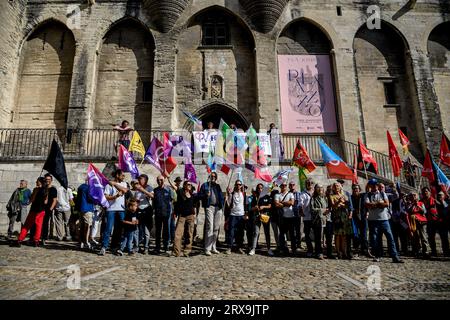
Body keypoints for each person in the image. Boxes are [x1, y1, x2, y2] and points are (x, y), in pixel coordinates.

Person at [365, 179, 403, 263]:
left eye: (376, 185)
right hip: (373, 220)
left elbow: (386, 204)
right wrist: (379, 204)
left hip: (384, 219)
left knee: (390, 237)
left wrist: (375, 204)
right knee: (375, 239)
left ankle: (394, 256)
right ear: (370, 186)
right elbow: (367, 205)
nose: (375, 186)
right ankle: (377, 255)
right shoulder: (368, 195)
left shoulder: (383, 193)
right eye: (373, 185)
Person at [98, 169, 128, 256]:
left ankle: (115, 247)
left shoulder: (124, 184)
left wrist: (114, 184)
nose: (124, 177)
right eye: (122, 175)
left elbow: (125, 190)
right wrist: (115, 196)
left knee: (119, 229)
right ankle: (104, 247)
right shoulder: (108, 185)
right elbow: (106, 197)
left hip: (121, 209)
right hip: (111, 209)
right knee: (108, 228)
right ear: (117, 175)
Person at [14, 177, 48, 247]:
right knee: (39, 226)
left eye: (37, 181)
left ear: (40, 182)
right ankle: (36, 241)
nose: (36, 182)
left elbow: (32, 199)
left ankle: (20, 240)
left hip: (34, 210)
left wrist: (30, 200)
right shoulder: (46, 190)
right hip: (41, 210)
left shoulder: (36, 189)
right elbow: (45, 201)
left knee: (26, 226)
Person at [199, 172, 224, 256]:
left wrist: (223, 202)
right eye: (212, 176)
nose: (213, 177)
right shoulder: (205, 185)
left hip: (218, 208)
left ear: (216, 178)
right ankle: (207, 248)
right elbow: (199, 195)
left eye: (214, 176)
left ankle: (214, 246)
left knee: (216, 228)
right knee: (210, 226)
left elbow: (221, 196)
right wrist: (206, 195)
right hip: (209, 207)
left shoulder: (218, 186)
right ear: (209, 177)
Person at [172, 181, 197, 257]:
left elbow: (194, 206)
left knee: (189, 234)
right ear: (185, 185)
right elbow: (174, 187)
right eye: (188, 184)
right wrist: (169, 178)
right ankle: (176, 252)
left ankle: (187, 251)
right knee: (178, 234)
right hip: (182, 216)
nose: (189, 186)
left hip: (190, 216)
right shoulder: (180, 192)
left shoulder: (192, 195)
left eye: (190, 185)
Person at [421, 187, 447, 256]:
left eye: (426, 191)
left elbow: (443, 209)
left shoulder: (434, 201)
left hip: (438, 221)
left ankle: (446, 251)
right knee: (431, 238)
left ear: (429, 192)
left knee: (443, 237)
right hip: (428, 222)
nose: (425, 193)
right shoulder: (421, 201)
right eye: (423, 191)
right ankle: (434, 251)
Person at [329, 182, 353, 259]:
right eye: (335, 186)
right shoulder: (332, 195)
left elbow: (347, 205)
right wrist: (339, 202)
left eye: (338, 186)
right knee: (337, 235)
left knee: (344, 235)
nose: (337, 187)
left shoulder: (344, 195)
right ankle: (338, 252)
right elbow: (333, 206)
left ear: (340, 187)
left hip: (344, 216)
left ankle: (344, 252)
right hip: (337, 216)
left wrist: (342, 203)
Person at [248, 184, 273, 256]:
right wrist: (255, 208)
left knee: (267, 233)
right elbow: (251, 208)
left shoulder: (267, 196)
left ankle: (269, 249)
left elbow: (269, 206)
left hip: (265, 215)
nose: (260, 189)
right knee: (256, 232)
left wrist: (263, 206)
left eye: (261, 188)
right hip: (257, 216)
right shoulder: (255, 197)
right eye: (258, 188)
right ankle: (253, 249)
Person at [133, 174, 154, 254]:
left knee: (146, 230)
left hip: (146, 210)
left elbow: (152, 196)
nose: (139, 180)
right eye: (138, 179)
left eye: (140, 179)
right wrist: (136, 201)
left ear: (145, 180)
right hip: (138, 210)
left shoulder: (149, 187)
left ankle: (146, 247)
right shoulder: (137, 189)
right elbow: (135, 199)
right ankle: (137, 246)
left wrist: (142, 190)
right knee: (137, 230)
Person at [152, 175, 173, 254]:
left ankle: (166, 246)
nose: (159, 181)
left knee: (166, 231)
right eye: (158, 180)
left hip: (167, 213)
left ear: (164, 180)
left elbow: (172, 200)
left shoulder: (168, 189)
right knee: (158, 231)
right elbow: (154, 202)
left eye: (161, 180)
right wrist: (154, 210)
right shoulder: (155, 190)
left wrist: (171, 212)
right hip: (158, 213)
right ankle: (157, 247)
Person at [225, 180, 246, 254]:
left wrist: (246, 214)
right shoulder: (232, 194)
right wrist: (228, 194)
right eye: (237, 184)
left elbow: (245, 204)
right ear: (235, 185)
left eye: (239, 184)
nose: (238, 186)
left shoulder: (243, 194)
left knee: (240, 232)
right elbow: (228, 205)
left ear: (241, 186)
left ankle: (239, 247)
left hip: (241, 215)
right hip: (233, 215)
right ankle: (229, 247)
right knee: (231, 232)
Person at [275, 182, 296, 256]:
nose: (284, 186)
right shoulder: (277, 195)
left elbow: (292, 203)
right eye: (282, 185)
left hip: (290, 217)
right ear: (280, 186)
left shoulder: (290, 194)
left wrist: (282, 202)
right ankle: (283, 249)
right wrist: (287, 203)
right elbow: (277, 204)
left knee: (292, 234)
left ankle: (293, 250)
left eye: (285, 185)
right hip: (282, 217)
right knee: (282, 234)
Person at [405, 192, 429, 258]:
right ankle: (418, 250)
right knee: (416, 237)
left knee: (423, 237)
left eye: (414, 195)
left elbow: (424, 211)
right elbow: (408, 211)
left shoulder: (421, 203)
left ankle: (426, 251)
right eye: (412, 196)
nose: (413, 197)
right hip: (414, 222)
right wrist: (413, 205)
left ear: (417, 196)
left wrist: (418, 205)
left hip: (422, 222)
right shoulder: (409, 204)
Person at [310, 184, 328, 259]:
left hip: (324, 220)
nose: (320, 189)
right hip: (316, 220)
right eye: (318, 188)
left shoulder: (324, 198)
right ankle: (318, 252)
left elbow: (327, 208)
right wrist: (322, 210)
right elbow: (312, 209)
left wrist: (326, 211)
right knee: (318, 237)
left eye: (321, 188)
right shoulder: (313, 198)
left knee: (323, 238)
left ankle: (322, 251)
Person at [76, 180, 95, 249]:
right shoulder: (89, 188)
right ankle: (86, 242)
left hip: (81, 208)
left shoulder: (81, 187)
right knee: (87, 226)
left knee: (82, 226)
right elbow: (91, 198)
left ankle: (81, 241)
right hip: (87, 208)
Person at [298, 179, 314, 257]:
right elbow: (300, 204)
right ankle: (310, 249)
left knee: (317, 234)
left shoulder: (315, 192)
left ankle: (318, 250)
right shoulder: (302, 193)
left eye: (311, 183)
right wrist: (301, 211)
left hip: (315, 217)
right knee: (307, 234)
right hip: (307, 217)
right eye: (307, 183)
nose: (309, 184)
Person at [351, 184, 369, 256]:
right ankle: (356, 250)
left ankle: (365, 250)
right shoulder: (351, 197)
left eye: (357, 188)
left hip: (363, 217)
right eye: (354, 188)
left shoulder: (363, 196)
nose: (356, 190)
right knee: (355, 235)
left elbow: (366, 204)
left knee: (364, 234)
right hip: (355, 218)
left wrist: (367, 212)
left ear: (359, 189)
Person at [41, 174, 58, 245]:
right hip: (40, 208)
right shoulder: (42, 188)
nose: (47, 181)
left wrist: (50, 209)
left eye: (49, 179)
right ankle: (37, 236)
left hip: (48, 209)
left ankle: (44, 238)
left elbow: (55, 200)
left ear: (51, 180)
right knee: (38, 223)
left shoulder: (53, 189)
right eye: (46, 179)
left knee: (45, 223)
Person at [436, 191, 449, 256]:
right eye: (439, 195)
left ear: (444, 196)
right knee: (444, 238)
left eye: (441, 195)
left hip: (448, 221)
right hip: (442, 223)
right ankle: (446, 251)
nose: (440, 196)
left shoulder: (447, 202)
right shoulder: (436, 204)